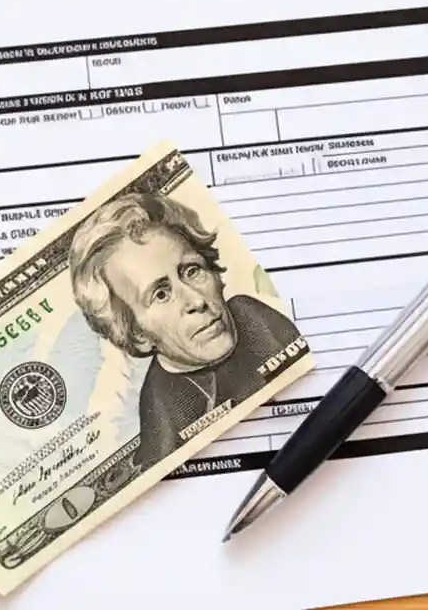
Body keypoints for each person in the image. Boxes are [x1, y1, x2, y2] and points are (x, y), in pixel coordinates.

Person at [68, 192, 304, 470]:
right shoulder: (163, 417)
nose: (196, 301)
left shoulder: (254, 317)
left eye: (192, 271)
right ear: (138, 334)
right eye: (161, 294)